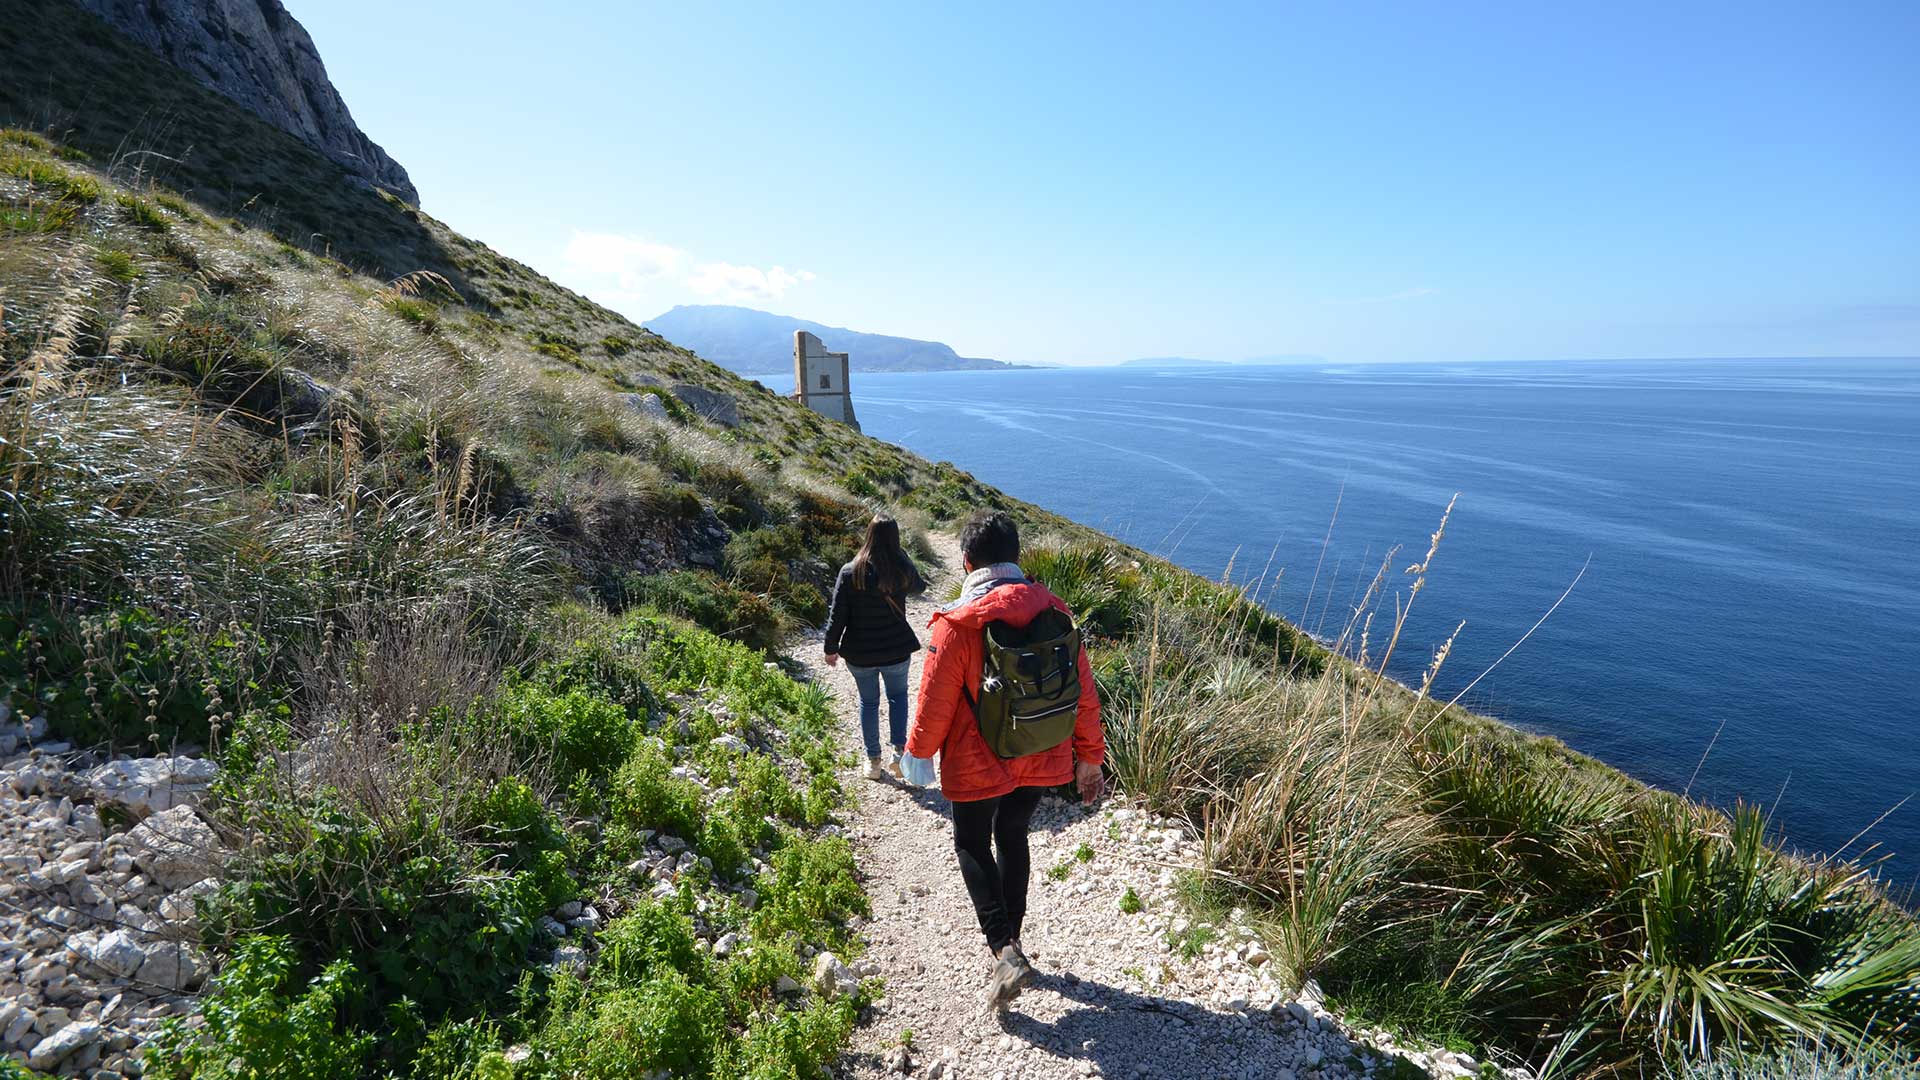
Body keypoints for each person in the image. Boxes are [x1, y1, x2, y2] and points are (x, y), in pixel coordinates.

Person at [902, 510, 1105, 1009]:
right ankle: (1013, 940)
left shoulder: (957, 626)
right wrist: (1089, 759)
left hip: (978, 758)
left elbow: (935, 702)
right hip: (1040, 751)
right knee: (1013, 835)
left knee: (971, 841)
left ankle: (1002, 948)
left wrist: (918, 755)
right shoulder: (1057, 614)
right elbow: (1083, 695)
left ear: (967, 561)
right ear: (1016, 558)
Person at [823, 515, 929, 781]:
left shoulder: (850, 571)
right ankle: (897, 754)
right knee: (898, 698)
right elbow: (920, 587)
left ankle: (873, 761)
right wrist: (904, 557)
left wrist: (830, 648)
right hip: (896, 649)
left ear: (868, 534)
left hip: (860, 653)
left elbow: (838, 615)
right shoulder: (901, 569)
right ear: (896, 539)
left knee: (868, 703)